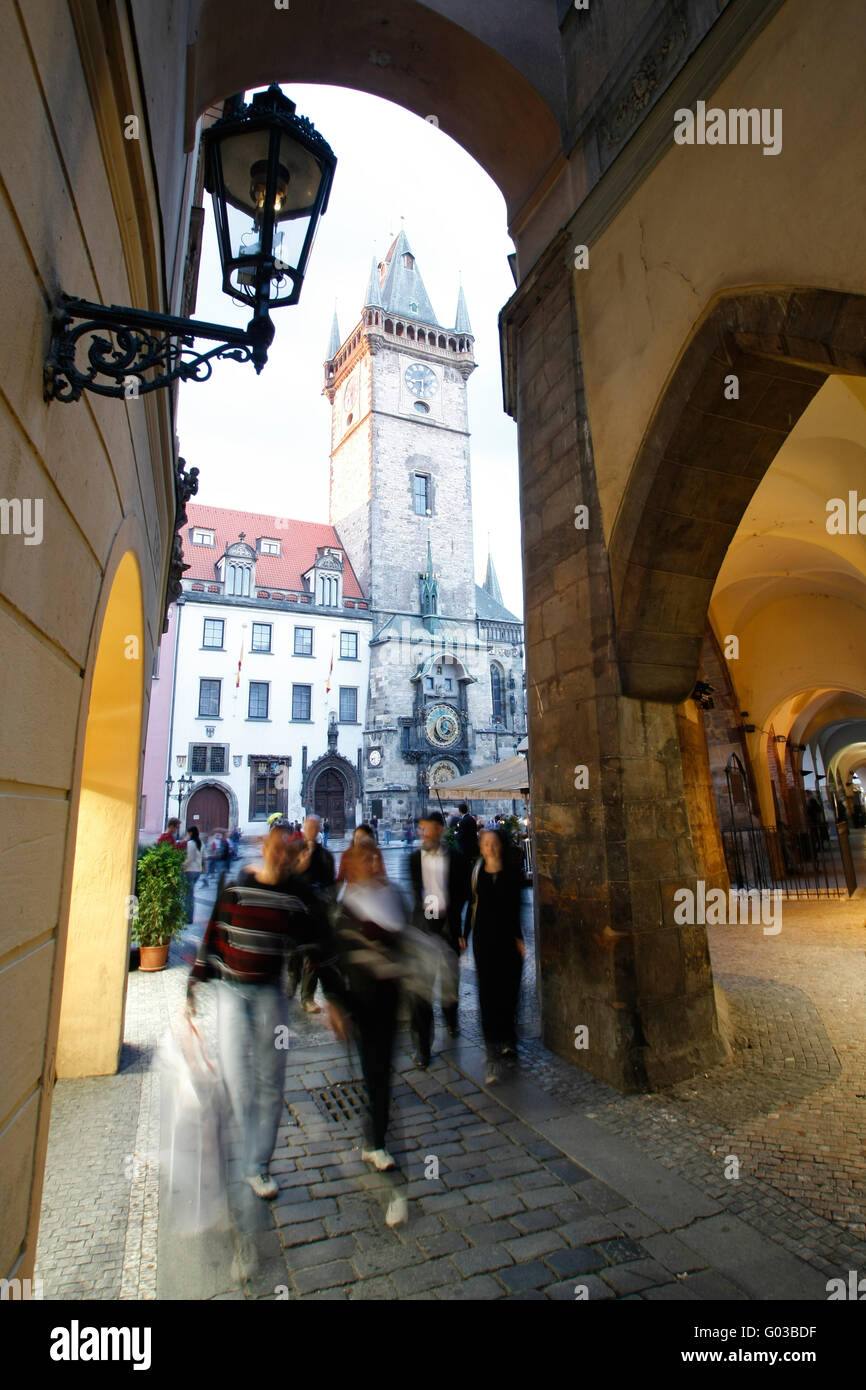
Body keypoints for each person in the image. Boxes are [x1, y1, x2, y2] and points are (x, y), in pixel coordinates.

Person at [187, 828, 349, 1201]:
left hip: (268, 993)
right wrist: (195, 981)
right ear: (265, 848)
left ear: (294, 859)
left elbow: (320, 946)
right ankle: (243, 1151)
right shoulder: (236, 887)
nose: (279, 856)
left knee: (270, 1080)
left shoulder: (298, 897)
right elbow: (214, 932)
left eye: (287, 853)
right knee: (236, 1077)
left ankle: (256, 1164)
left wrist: (336, 1001)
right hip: (231, 991)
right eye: (275, 849)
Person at [335, 839, 409, 1229]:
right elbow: (335, 954)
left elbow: (407, 939)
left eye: (375, 856)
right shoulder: (347, 906)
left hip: (388, 997)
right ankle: (377, 1141)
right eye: (366, 857)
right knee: (376, 1073)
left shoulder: (391, 894)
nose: (375, 862)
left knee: (379, 1073)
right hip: (362, 1002)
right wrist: (336, 1003)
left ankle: (376, 1139)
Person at [463, 828, 525, 1084]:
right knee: (488, 994)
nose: (490, 847)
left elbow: (515, 908)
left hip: (507, 942)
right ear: (481, 847)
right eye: (485, 843)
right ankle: (492, 1053)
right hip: (484, 941)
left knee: (509, 992)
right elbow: (471, 905)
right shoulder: (477, 873)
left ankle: (508, 1040)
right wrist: (463, 935)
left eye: (493, 843)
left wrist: (519, 937)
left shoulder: (511, 873)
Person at [407, 810, 468, 1067]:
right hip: (423, 929)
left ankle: (451, 1018)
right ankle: (423, 1047)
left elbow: (464, 894)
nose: (422, 833)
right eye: (420, 829)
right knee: (421, 992)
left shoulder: (457, 859)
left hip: (448, 927)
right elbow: (414, 893)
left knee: (450, 986)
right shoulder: (412, 859)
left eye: (427, 829)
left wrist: (460, 929)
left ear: (440, 830)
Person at [288, 815, 337, 1013]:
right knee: (294, 955)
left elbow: (330, 883)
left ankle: (307, 997)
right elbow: (286, 875)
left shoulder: (325, 855)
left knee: (313, 956)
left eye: (315, 827)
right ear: (304, 826)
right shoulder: (295, 850)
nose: (312, 830)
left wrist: (329, 903)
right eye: (309, 826)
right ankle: (290, 987)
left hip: (316, 912)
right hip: (295, 911)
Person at [182, 826, 204, 921]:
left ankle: (188, 917)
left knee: (188, 895)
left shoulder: (191, 843)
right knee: (190, 894)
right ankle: (189, 916)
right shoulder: (201, 843)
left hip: (190, 870)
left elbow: (189, 858)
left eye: (187, 833)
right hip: (197, 871)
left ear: (190, 833)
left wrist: (182, 866)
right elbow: (204, 857)